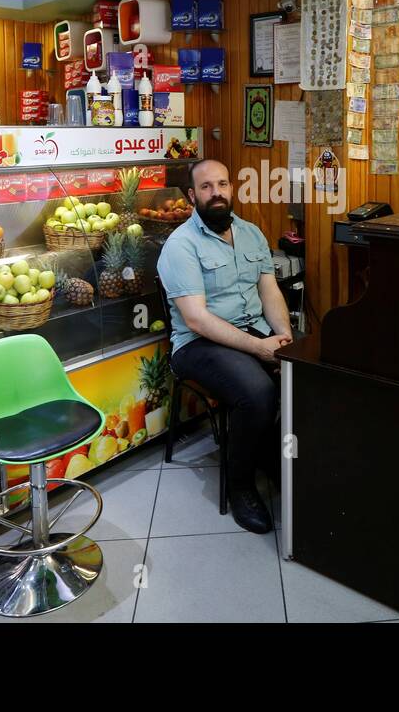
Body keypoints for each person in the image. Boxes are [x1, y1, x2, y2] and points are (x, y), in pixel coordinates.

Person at [156, 158, 292, 533]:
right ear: (191, 195)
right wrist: (260, 348)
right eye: (206, 187)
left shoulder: (251, 233)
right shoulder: (180, 246)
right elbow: (197, 319)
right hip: (198, 345)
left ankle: (270, 455)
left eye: (222, 184)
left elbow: (269, 291)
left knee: (306, 375)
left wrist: (284, 340)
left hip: (251, 332)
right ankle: (241, 486)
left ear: (232, 188)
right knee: (258, 392)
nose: (216, 193)